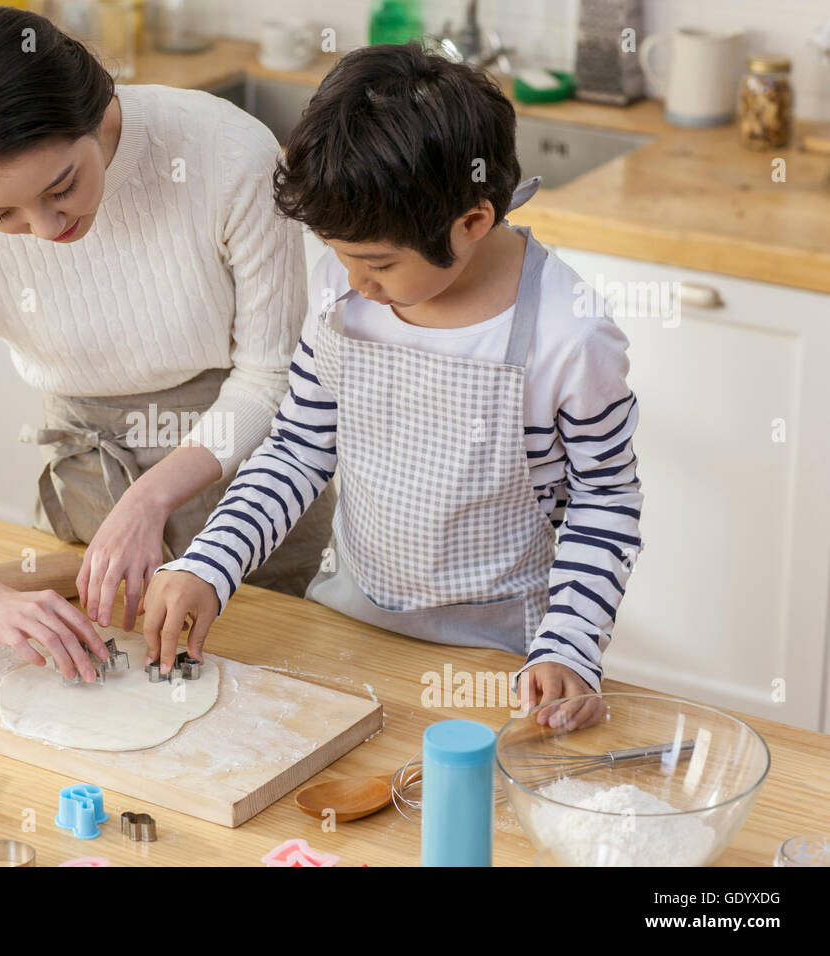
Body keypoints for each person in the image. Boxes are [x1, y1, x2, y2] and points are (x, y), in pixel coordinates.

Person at [143, 44, 644, 728]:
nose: (354, 281)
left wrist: (571, 648)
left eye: (377, 264)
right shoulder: (343, 295)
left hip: (504, 660)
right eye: (340, 256)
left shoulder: (569, 334)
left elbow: (604, 498)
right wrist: (210, 563)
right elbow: (298, 450)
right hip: (348, 625)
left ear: (472, 222)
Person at [0, 7, 334, 682]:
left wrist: (149, 498)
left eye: (61, 186)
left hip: (251, 490)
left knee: (281, 691)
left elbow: (270, 379)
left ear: (96, 111)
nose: (44, 228)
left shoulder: (225, 152)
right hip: (89, 493)